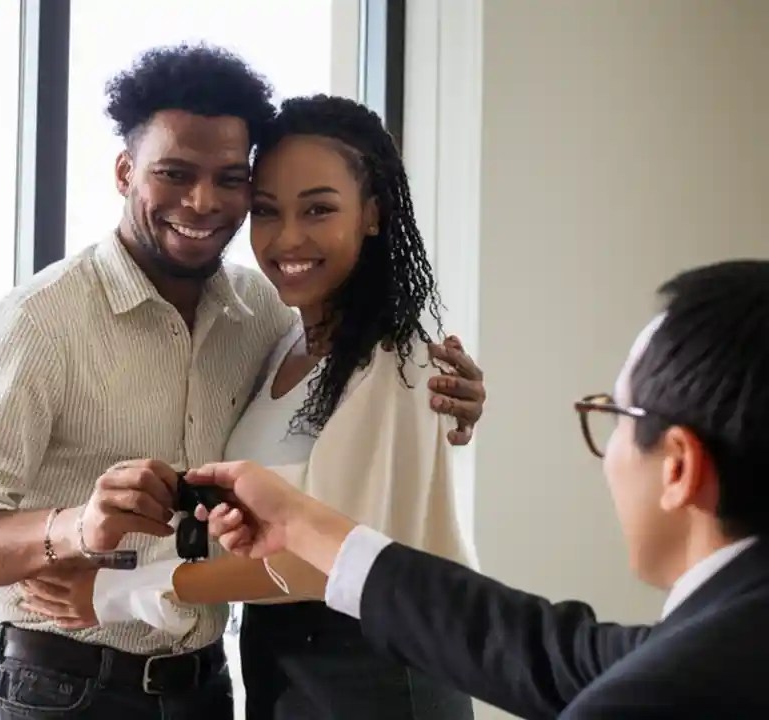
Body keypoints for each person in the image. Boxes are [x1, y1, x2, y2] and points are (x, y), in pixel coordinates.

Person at [0, 44, 487, 720]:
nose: (203, 201)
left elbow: (361, 446)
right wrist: (77, 528)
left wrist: (445, 397)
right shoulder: (34, 327)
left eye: (229, 179)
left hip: (213, 686)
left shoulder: (264, 315)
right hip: (63, 688)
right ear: (126, 171)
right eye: (174, 173)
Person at [183, 259, 769, 719]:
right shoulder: (724, 635)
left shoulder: (659, 695)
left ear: (677, 466)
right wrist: (304, 524)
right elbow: (545, 649)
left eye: (615, 416)